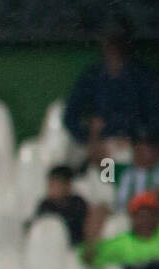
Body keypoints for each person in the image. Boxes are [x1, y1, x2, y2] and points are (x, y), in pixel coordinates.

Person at [64, 25, 159, 159]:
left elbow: (155, 115)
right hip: (101, 146)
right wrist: (89, 140)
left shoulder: (144, 77)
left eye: (117, 41)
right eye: (109, 42)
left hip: (136, 147)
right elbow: (70, 116)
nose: (113, 48)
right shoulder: (91, 76)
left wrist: (143, 140)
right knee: (103, 170)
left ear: (126, 43)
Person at [81, 189, 159, 269]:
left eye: (149, 215)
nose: (145, 220)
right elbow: (87, 257)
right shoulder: (121, 243)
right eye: (140, 216)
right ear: (133, 218)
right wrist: (94, 229)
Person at [34, 165, 88, 246]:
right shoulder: (45, 205)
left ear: (67, 186)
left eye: (54, 185)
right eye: (50, 185)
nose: (50, 189)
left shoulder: (78, 205)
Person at [115, 131, 159, 212]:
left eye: (148, 147)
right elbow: (122, 203)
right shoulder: (127, 174)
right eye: (138, 148)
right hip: (131, 214)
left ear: (156, 151)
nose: (142, 152)